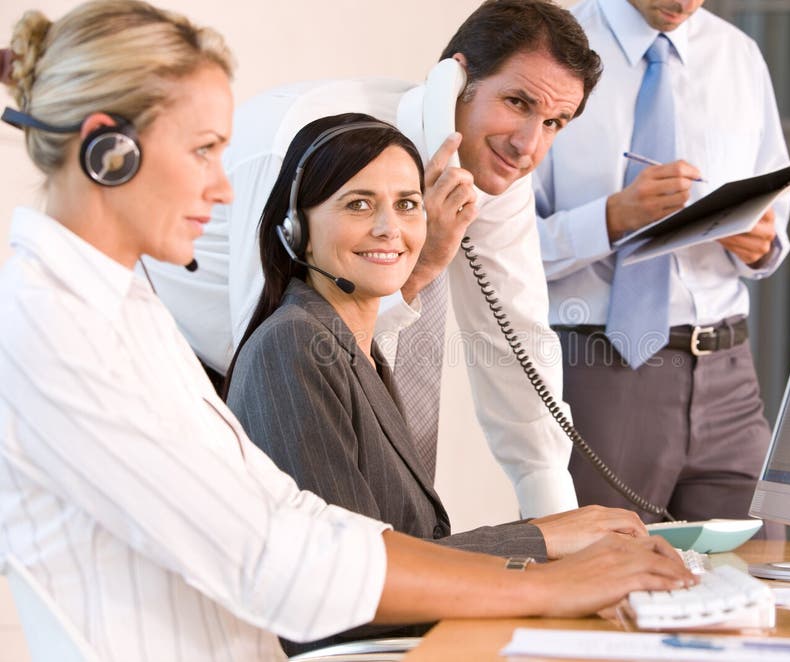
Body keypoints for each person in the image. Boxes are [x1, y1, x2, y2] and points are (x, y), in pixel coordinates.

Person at [0, 3, 697, 661]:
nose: (222, 191)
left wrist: (551, 536)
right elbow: (277, 557)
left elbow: (304, 520)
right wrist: (545, 578)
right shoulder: (54, 327)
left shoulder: (122, 308)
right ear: (108, 154)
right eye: (205, 150)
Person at [142, 0, 604, 518]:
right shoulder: (310, 149)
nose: (528, 145)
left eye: (555, 123)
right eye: (518, 102)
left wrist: (558, 519)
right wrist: (422, 264)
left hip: (297, 375)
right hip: (200, 376)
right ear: (454, 80)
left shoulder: (497, 164)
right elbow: (281, 359)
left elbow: (517, 343)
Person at [225, 114, 653, 653]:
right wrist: (545, 540)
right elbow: (345, 583)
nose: (390, 229)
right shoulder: (292, 347)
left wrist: (559, 548)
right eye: (358, 204)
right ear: (296, 230)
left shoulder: (352, 344)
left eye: (407, 205)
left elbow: (401, 552)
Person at [534, 0, 790, 525]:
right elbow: (505, 245)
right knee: (600, 575)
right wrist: (612, 217)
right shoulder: (548, 54)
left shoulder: (738, 56)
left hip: (729, 371)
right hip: (602, 366)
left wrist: (761, 243)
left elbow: (773, 213)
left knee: (753, 575)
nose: (684, 4)